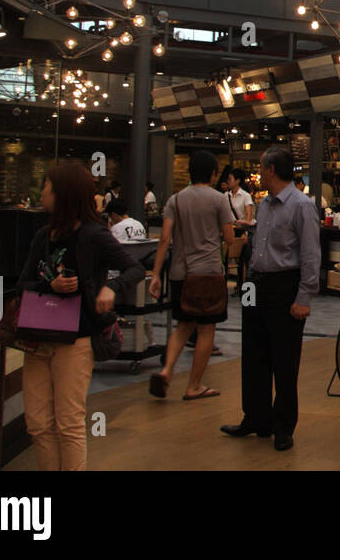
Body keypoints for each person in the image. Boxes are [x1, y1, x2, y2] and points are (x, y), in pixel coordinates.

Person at [17, 162, 142, 470]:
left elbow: (135, 267)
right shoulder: (43, 236)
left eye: (46, 187)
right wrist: (51, 285)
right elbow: (22, 285)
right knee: (38, 424)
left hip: (76, 340)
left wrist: (111, 288)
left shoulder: (92, 235)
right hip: (38, 336)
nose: (42, 192)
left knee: (68, 423)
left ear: (64, 194)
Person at [221, 145, 319, 451]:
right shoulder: (264, 206)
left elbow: (310, 256)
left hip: (284, 287)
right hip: (257, 284)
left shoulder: (301, 206)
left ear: (271, 171)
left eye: (262, 168)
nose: (259, 174)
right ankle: (256, 417)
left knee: (284, 359)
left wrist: (304, 297)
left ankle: (283, 426)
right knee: (254, 354)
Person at [148, 151, 236, 402]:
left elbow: (165, 239)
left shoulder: (174, 201)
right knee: (207, 329)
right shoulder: (219, 199)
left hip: (180, 273)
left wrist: (155, 275)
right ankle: (194, 385)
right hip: (208, 273)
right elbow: (229, 238)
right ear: (212, 174)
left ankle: (166, 371)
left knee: (183, 325)